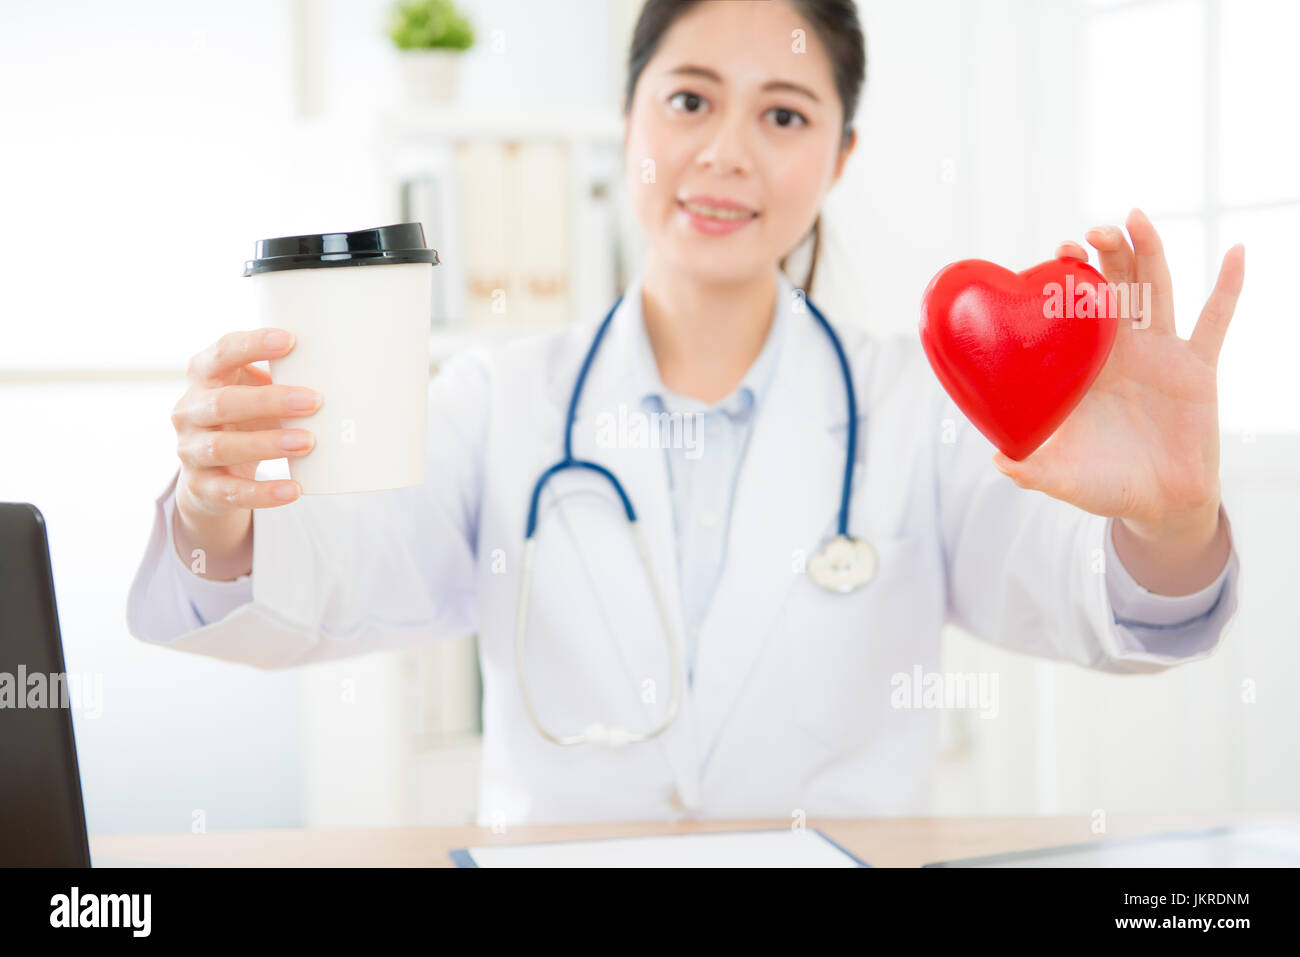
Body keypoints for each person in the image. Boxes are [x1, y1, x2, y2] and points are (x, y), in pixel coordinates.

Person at [127, 0, 1244, 825]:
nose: (725, 153)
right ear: (627, 123)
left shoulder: (920, 409)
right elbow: (321, 587)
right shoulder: (498, 401)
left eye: (786, 114)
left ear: (839, 157)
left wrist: (1170, 519)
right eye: (690, 98)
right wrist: (219, 512)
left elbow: (1107, 609)